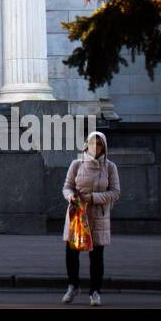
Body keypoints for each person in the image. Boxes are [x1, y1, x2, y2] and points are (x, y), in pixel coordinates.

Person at [61, 131, 120, 306]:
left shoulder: (110, 167)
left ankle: (95, 292)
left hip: (98, 216)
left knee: (96, 256)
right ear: (87, 145)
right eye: (93, 143)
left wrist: (94, 198)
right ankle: (73, 286)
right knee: (72, 253)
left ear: (104, 147)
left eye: (99, 144)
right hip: (77, 215)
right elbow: (67, 187)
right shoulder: (76, 164)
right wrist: (71, 197)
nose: (96, 147)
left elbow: (115, 192)